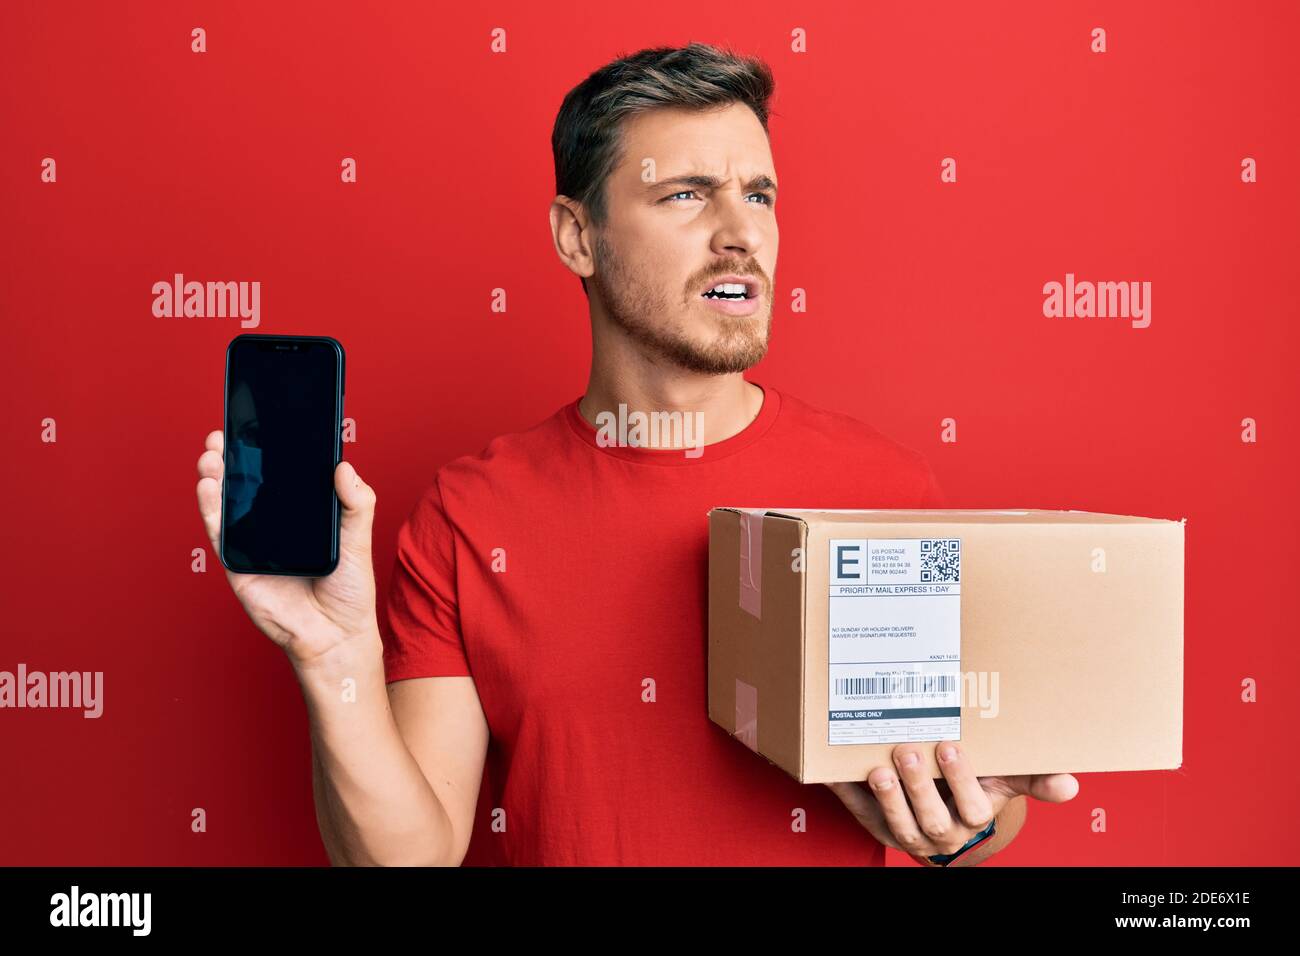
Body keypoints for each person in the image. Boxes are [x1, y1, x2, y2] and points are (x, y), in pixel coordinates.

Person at [194, 42, 1077, 866]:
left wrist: (965, 821)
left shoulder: (884, 490)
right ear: (577, 237)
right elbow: (407, 854)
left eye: (760, 195)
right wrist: (332, 658)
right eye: (687, 194)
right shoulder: (470, 515)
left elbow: (984, 810)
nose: (742, 233)